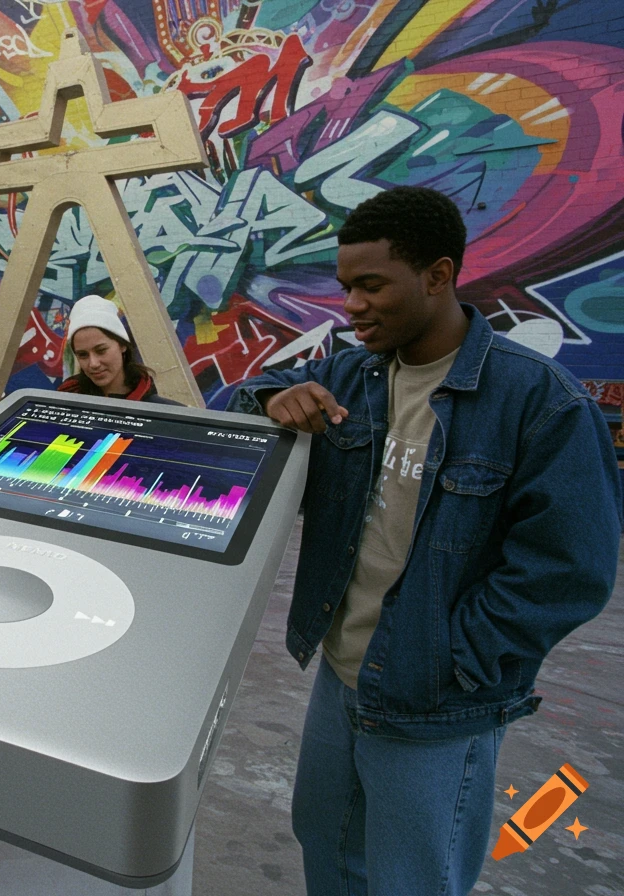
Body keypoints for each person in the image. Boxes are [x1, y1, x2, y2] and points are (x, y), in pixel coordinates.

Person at [227, 186, 621, 896]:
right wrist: (269, 398)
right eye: (347, 287)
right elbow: (242, 395)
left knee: (413, 880)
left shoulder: (539, 400)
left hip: (436, 702)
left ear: (438, 276)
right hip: (340, 680)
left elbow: (570, 570)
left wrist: (451, 660)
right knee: (327, 848)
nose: (351, 306)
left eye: (372, 285)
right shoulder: (351, 374)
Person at [57, 294, 180, 404]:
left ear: (122, 345)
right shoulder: (64, 402)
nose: (93, 363)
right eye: (83, 355)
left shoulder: (162, 413)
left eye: (101, 351)